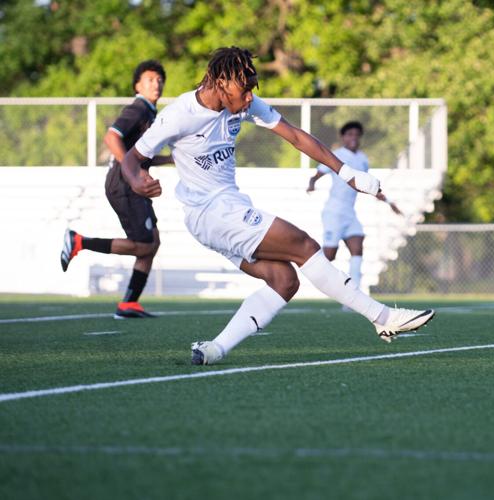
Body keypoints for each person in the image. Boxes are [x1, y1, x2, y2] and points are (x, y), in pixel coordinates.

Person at [120, 47, 435, 365]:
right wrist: (137, 182)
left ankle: (214, 349)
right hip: (211, 212)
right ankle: (381, 317)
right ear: (220, 81)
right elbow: (131, 158)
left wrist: (347, 172)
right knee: (304, 244)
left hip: (223, 210)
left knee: (285, 281)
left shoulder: (243, 104)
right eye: (243, 91)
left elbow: (296, 136)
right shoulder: (179, 114)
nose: (248, 99)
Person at [60, 60, 172, 318]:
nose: (156, 84)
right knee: (144, 246)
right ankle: (79, 242)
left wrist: (171, 159)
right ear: (137, 85)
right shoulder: (138, 108)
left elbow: (141, 154)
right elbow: (112, 138)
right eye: (150, 79)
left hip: (130, 181)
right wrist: (132, 172)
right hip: (124, 182)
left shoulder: (151, 113)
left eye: (159, 79)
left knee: (152, 242)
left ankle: (129, 304)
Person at [306, 121, 401, 297]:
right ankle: (308, 275)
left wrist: (389, 202)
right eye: (349, 134)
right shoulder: (336, 155)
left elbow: (368, 186)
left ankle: (354, 294)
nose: (353, 138)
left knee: (357, 249)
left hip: (350, 214)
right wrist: (311, 184)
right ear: (343, 137)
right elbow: (317, 175)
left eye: (357, 135)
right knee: (329, 255)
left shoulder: (363, 159)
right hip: (334, 212)